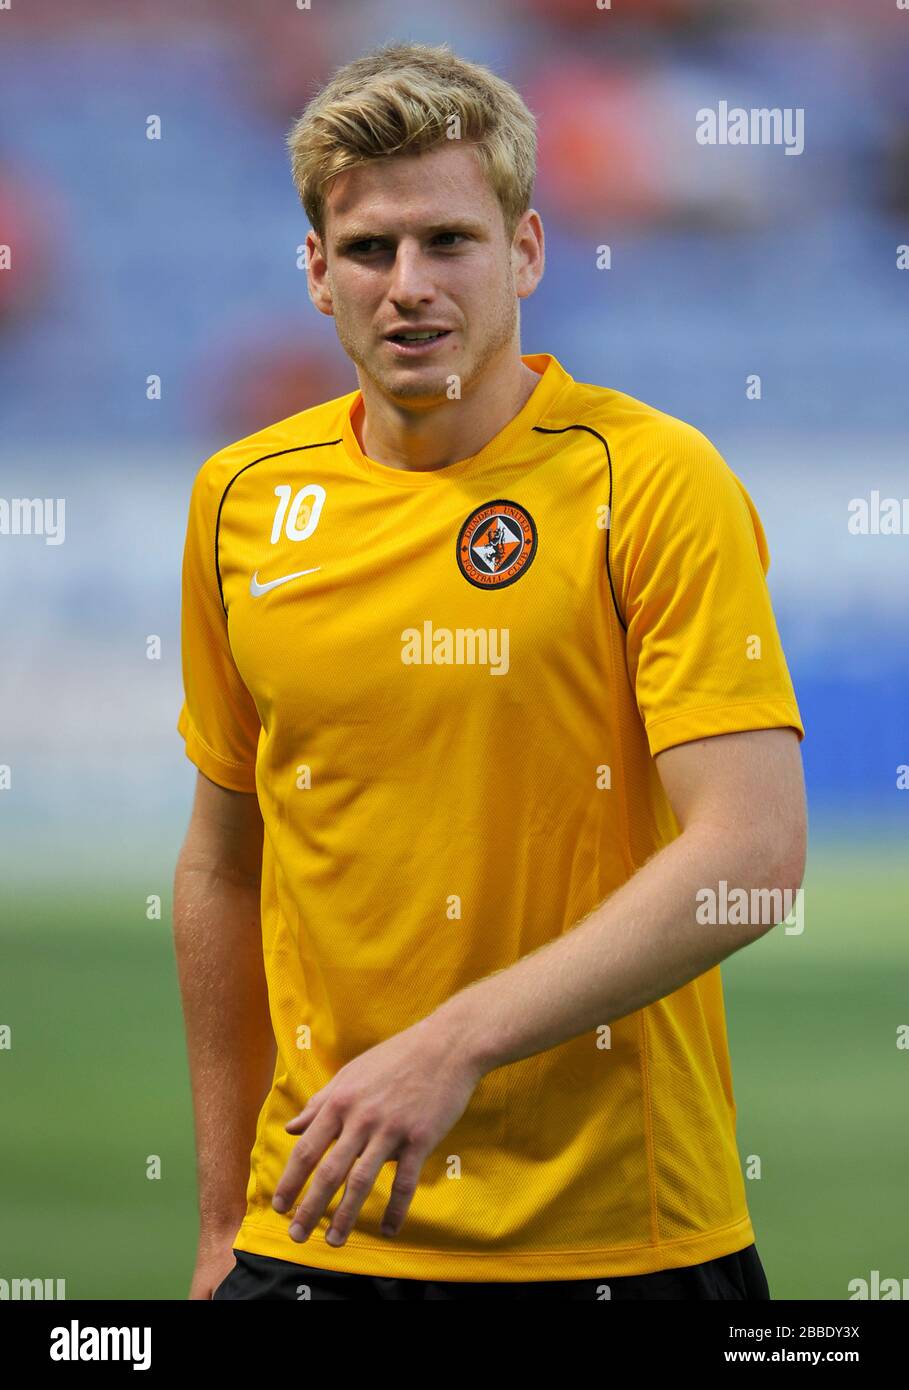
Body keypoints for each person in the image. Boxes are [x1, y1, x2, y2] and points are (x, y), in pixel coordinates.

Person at [174, 40, 807, 1302]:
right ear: (316, 274)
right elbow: (220, 863)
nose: (407, 286)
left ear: (524, 251)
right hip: (316, 1227)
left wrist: (451, 1045)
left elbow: (753, 859)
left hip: (620, 1237)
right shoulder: (242, 499)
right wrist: (217, 1215)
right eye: (367, 250)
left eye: (448, 242)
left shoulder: (655, 481)